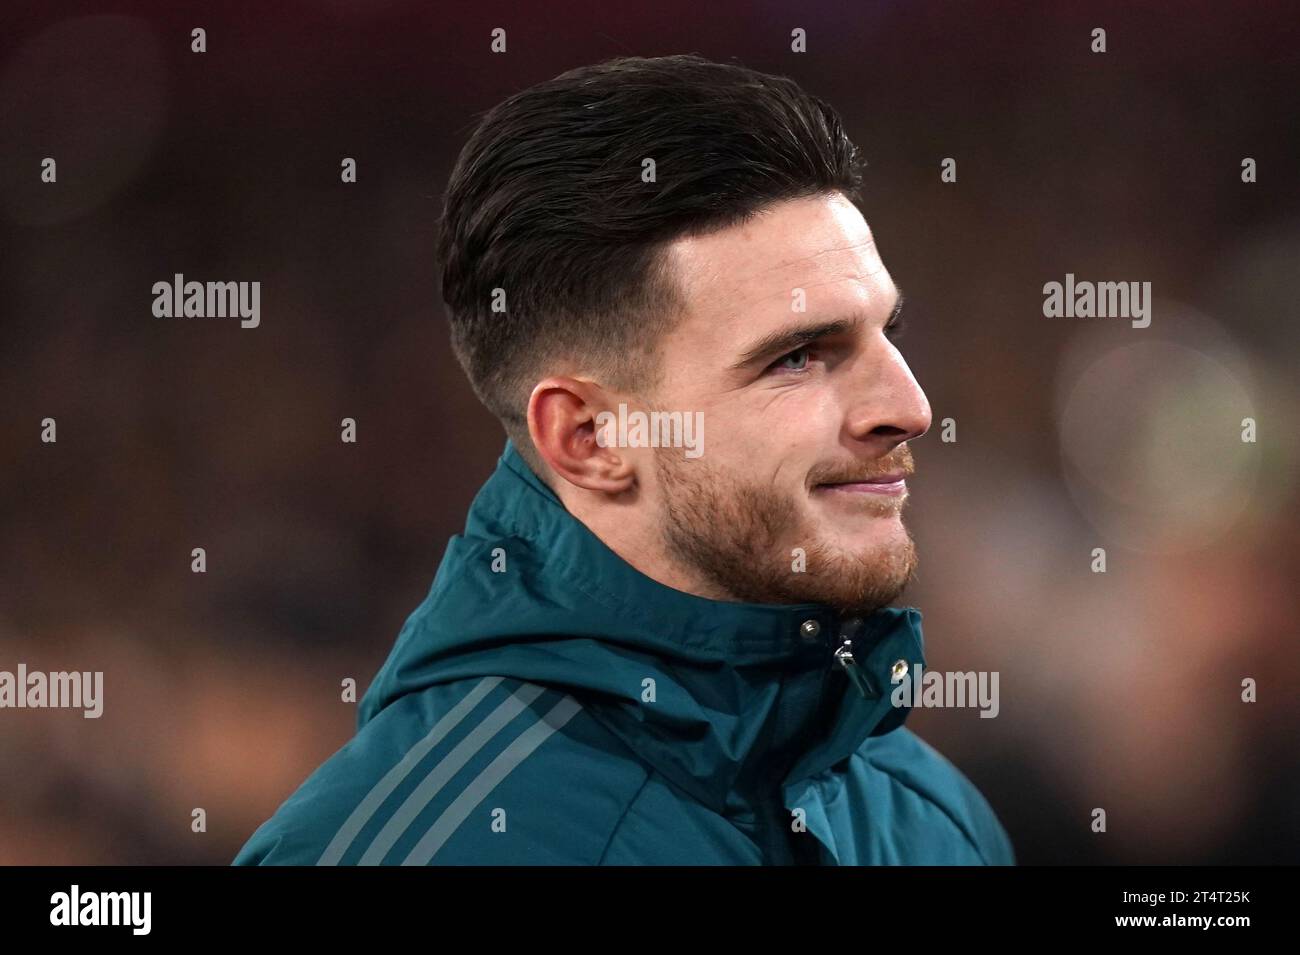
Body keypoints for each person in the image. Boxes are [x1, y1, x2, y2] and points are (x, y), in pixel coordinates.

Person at [234, 53, 1014, 865]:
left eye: (888, 332)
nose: (910, 408)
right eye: (797, 356)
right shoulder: (407, 847)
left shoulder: (936, 822)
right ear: (590, 437)